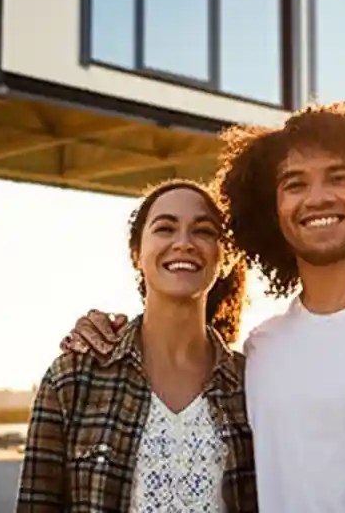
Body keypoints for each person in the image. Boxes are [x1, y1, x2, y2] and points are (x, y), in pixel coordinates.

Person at [65, 102, 345, 512]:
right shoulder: (261, 348)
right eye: (295, 184)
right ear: (271, 209)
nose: (317, 198)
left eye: (339, 177)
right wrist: (107, 330)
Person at [18, 179, 256, 512]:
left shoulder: (254, 384)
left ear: (225, 256)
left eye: (203, 231)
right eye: (165, 228)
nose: (184, 243)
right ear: (136, 253)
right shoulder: (72, 378)